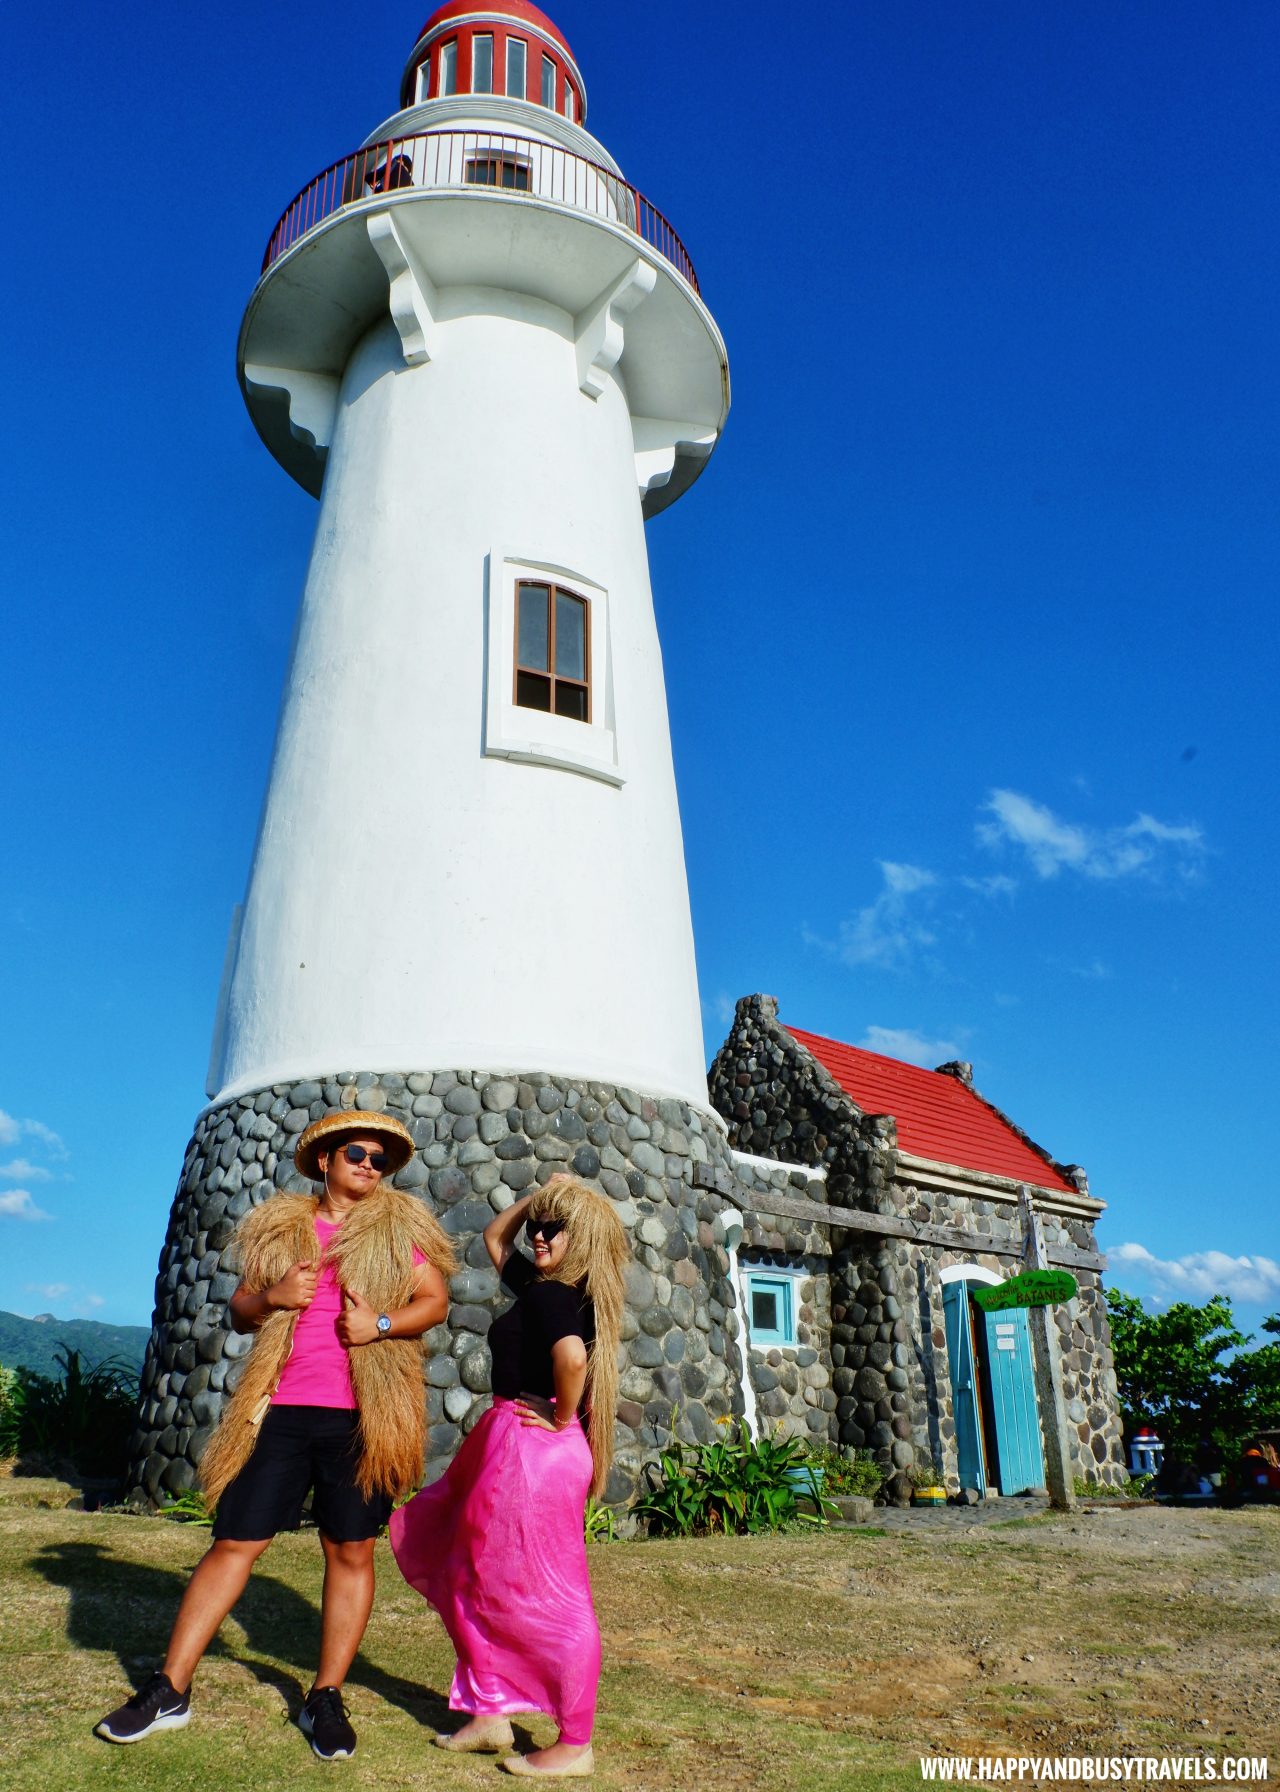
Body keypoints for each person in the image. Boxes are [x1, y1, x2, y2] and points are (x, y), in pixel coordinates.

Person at [96, 1109, 455, 1760]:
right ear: (326, 1159)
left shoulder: (399, 1229)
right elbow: (239, 1308)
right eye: (358, 1154)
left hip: (361, 1416)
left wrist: (378, 1323)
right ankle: (170, 1687)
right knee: (234, 1542)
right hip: (280, 1408)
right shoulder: (285, 1227)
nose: (369, 1166)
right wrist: (275, 1297)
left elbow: (434, 1301)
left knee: (350, 1550)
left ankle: (325, 1697)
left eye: (379, 1159)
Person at [390, 1174, 628, 1780]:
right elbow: (496, 1240)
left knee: (553, 1597)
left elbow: (571, 1358)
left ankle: (575, 1743)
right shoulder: (551, 1288)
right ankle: (490, 1710)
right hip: (522, 1446)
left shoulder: (554, 1299)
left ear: (586, 1239)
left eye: (555, 1228)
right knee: (474, 1574)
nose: (540, 1237)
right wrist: (539, 1199)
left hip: (532, 1448)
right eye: (541, 1228)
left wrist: (563, 1415)